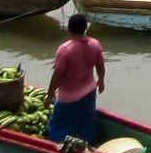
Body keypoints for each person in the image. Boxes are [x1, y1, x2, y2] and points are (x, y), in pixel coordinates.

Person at [45, 13, 106, 145]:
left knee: (57, 126)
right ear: (85, 28)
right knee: (87, 123)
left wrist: (49, 94)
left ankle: (55, 147)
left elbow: (57, 75)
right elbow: (100, 65)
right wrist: (101, 81)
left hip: (68, 97)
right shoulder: (95, 44)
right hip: (89, 92)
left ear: (69, 29)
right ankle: (87, 146)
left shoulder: (65, 49)